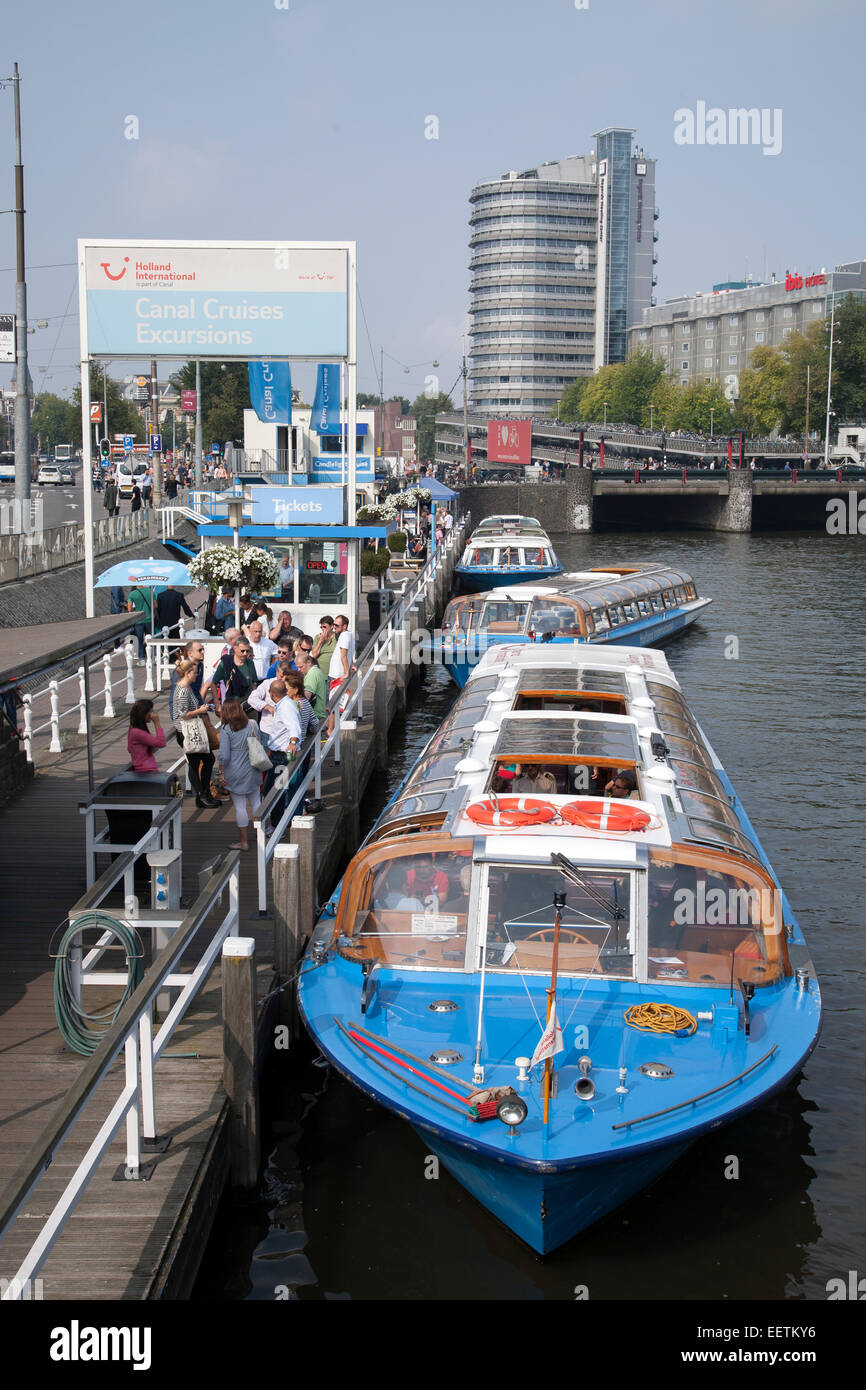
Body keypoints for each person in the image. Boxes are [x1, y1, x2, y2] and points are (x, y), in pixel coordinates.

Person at [218, 699, 263, 851]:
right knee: (256, 802)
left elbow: (224, 755)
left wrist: (221, 773)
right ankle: (262, 835)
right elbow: (260, 742)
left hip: (234, 770)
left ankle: (243, 842)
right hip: (253, 766)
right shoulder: (252, 724)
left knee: (240, 807)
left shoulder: (225, 729)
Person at [173, 659, 219, 809]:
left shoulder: (187, 688)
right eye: (194, 673)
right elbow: (183, 714)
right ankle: (202, 794)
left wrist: (203, 708)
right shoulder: (181, 691)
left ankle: (204, 794)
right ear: (187, 673)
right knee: (195, 763)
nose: (196, 675)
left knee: (208, 759)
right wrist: (200, 711)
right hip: (186, 731)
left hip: (193, 729)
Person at [263, 680, 301, 805]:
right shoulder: (285, 704)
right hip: (278, 754)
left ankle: (277, 821)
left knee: (274, 792)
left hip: (281, 755)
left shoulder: (286, 706)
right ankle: (278, 818)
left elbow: (293, 725)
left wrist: (293, 742)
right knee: (274, 790)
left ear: (272, 694)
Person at [326, 614, 355, 735]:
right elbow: (350, 653)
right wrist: (351, 664)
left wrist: (347, 672)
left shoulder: (344, 636)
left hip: (336, 675)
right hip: (336, 673)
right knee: (334, 702)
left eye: (336, 625)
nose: (333, 627)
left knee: (333, 703)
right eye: (333, 624)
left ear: (344, 626)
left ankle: (330, 730)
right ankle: (330, 727)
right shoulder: (348, 635)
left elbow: (344, 655)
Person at [211, 639, 257, 707]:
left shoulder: (250, 663)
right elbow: (213, 683)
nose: (245, 654)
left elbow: (253, 684)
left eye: (247, 651)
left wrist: (255, 699)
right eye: (242, 651)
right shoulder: (226, 663)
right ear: (235, 649)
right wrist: (217, 703)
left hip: (248, 703)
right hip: (231, 704)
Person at [127, 699, 166, 773]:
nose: (152, 715)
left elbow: (129, 749)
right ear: (143, 714)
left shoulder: (132, 728)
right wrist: (157, 722)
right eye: (151, 711)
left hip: (143, 769)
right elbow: (161, 743)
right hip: (146, 770)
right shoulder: (137, 732)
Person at [295, 648, 327, 720]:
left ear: (309, 662)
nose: (298, 670)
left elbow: (306, 696)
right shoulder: (316, 671)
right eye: (298, 667)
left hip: (314, 716)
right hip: (317, 714)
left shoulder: (312, 674)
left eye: (301, 667)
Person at [127, 584, 153, 660]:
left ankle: (142, 658)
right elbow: (155, 605)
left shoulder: (132, 594)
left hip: (138, 620)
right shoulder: (150, 592)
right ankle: (151, 656)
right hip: (148, 618)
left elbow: (129, 609)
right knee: (150, 638)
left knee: (139, 639)